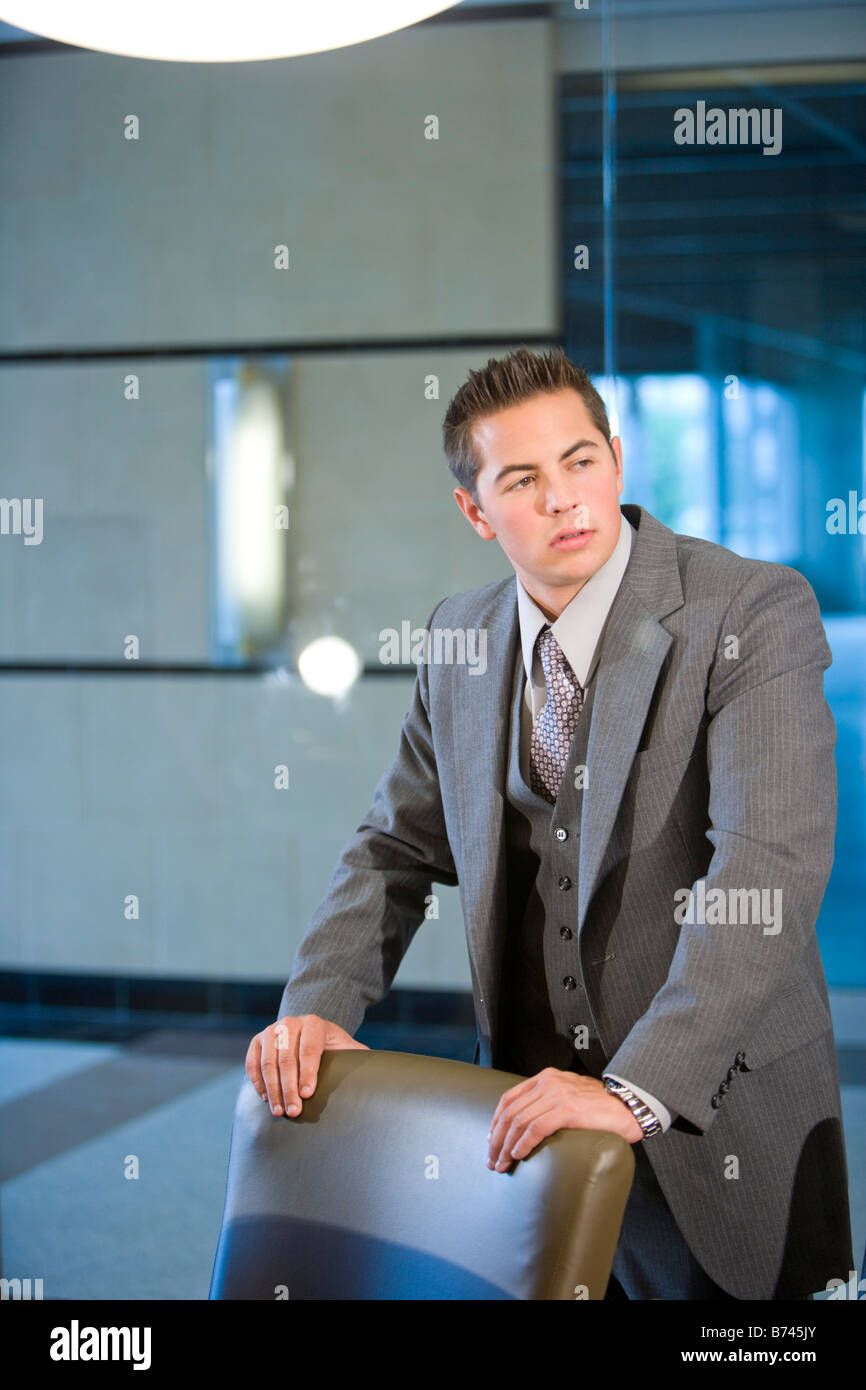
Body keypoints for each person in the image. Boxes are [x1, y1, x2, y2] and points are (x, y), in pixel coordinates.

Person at [245, 346, 853, 1300]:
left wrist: (633, 1090)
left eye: (581, 461)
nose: (565, 498)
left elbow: (765, 871)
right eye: (523, 479)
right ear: (474, 510)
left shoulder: (748, 608)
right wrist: (319, 1004)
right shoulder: (458, 636)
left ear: (616, 457)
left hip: (714, 1105)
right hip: (525, 1112)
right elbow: (394, 847)